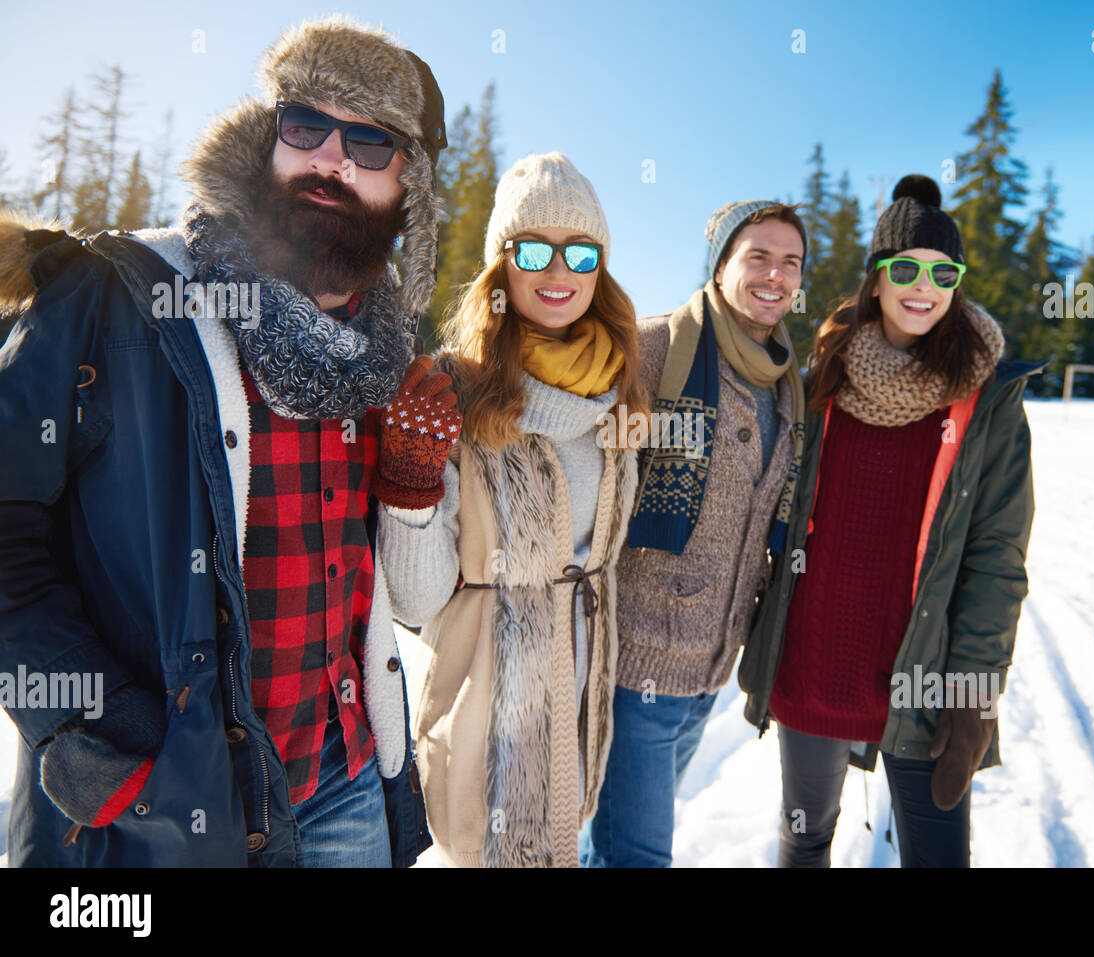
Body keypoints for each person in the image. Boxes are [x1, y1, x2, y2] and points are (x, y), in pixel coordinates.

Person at [0, 16, 456, 867]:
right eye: (306, 125)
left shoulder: (393, 360)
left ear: (411, 190)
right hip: (171, 800)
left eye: (370, 141)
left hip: (346, 783)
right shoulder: (123, 295)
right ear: (267, 139)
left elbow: (415, 605)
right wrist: (86, 719)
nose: (330, 156)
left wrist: (412, 484)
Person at [738, 174, 1044, 867]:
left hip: (923, 677)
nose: (922, 285)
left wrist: (974, 692)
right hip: (814, 653)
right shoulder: (821, 378)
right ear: (876, 279)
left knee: (937, 856)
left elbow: (997, 558)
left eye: (943, 272)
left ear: (958, 283)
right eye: (904, 267)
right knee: (806, 834)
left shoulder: (988, 397)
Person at [400, 152, 648, 867]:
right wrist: (411, 486)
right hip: (486, 719)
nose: (558, 271)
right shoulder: (453, 389)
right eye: (532, 249)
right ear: (500, 266)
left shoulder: (619, 392)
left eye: (581, 252)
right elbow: (415, 596)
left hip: (581, 713)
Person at [581, 201, 808, 867]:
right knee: (642, 854)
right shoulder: (657, 349)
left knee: (618, 845)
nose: (775, 274)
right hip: (639, 661)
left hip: (712, 664)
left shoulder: (788, 380)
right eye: (757, 257)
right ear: (720, 266)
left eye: (789, 262)